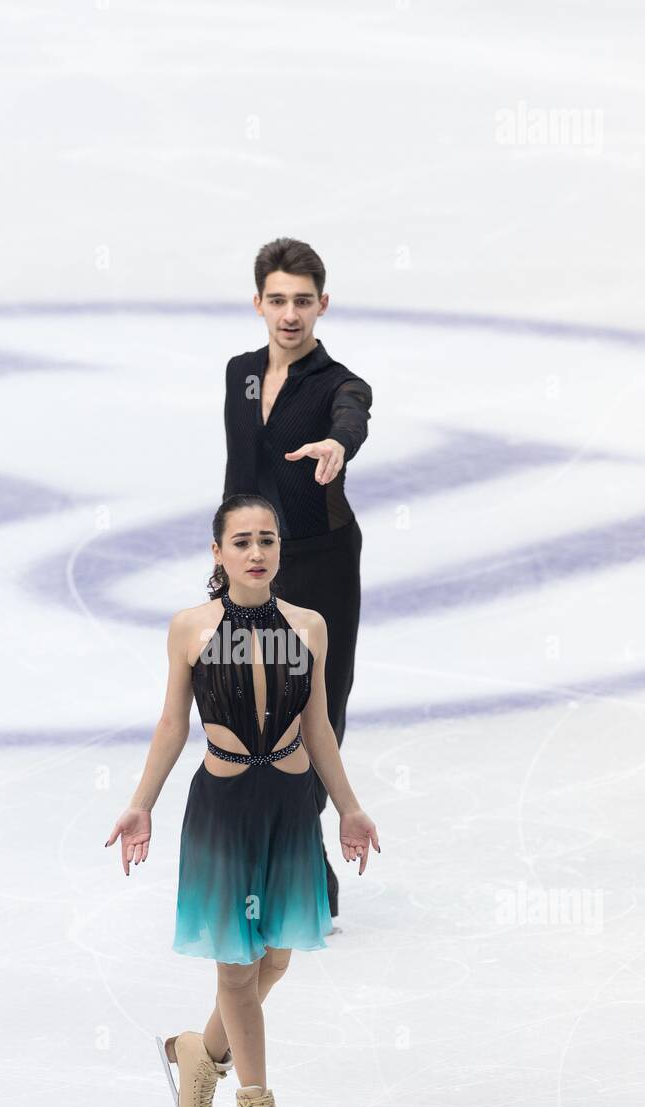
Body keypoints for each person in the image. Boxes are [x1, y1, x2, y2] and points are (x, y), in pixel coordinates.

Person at [105, 495, 380, 1107]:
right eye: (241, 541)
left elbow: (317, 725)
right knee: (236, 967)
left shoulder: (309, 626)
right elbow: (172, 725)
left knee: (274, 961)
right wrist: (141, 804)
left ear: (280, 550)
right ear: (217, 553)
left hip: (289, 808)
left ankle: (200, 1051)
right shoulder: (191, 629)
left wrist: (347, 808)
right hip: (223, 809)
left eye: (267, 540)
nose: (256, 552)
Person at [223, 237, 373, 919]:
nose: (290, 314)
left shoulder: (339, 384)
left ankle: (306, 846)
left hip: (320, 562)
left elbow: (352, 419)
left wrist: (339, 444)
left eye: (303, 301)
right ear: (258, 302)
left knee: (317, 706)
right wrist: (224, 555)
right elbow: (240, 470)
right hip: (252, 563)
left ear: (323, 305)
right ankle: (292, 854)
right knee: (255, 706)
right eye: (277, 299)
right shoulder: (240, 374)